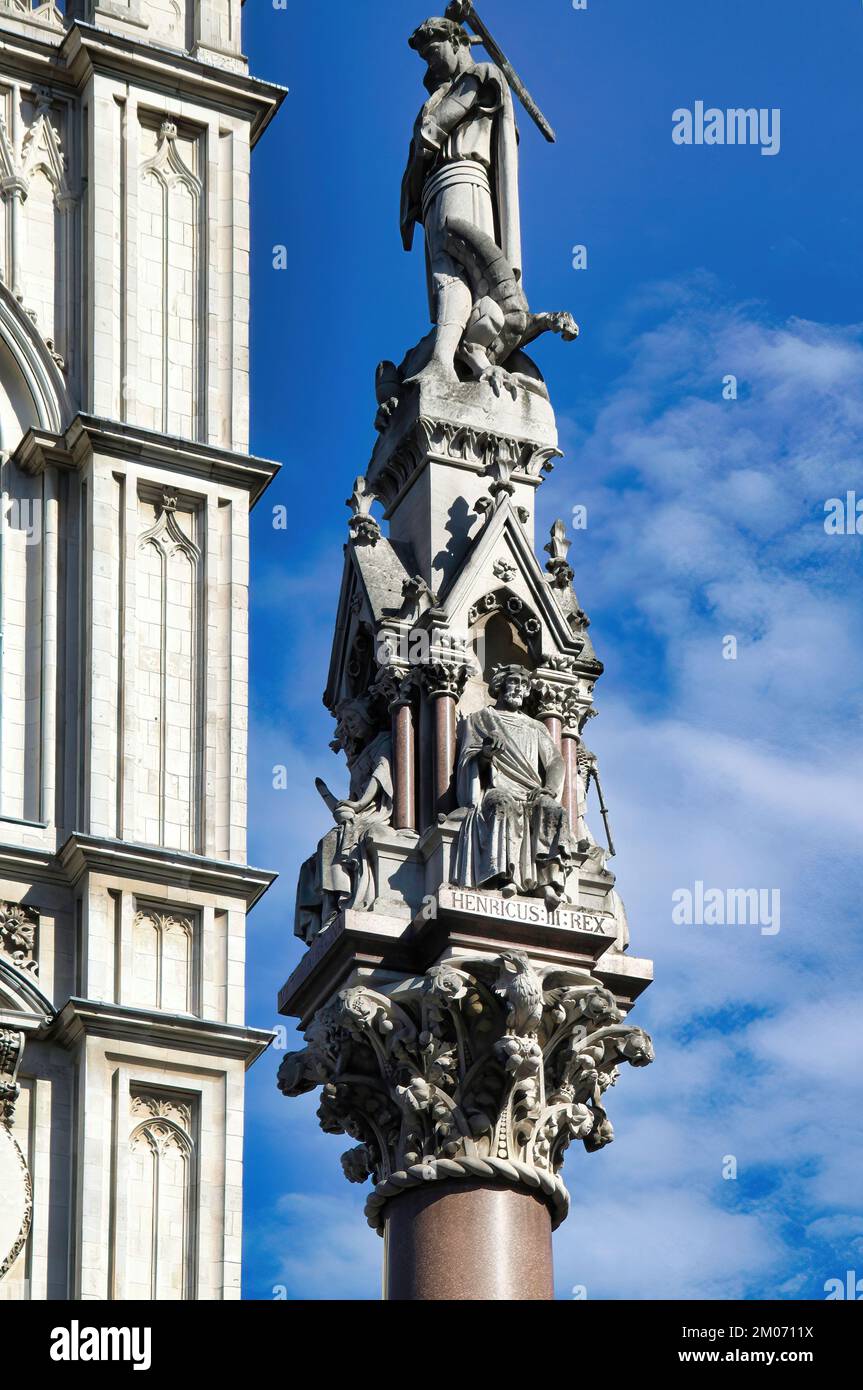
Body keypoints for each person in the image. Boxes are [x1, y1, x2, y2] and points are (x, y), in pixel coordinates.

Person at [453, 665, 575, 909]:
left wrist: (549, 788)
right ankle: (506, 877)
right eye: (514, 681)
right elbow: (468, 759)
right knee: (502, 804)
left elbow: (554, 760)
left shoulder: (536, 726)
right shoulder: (480, 720)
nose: (519, 687)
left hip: (530, 790)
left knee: (551, 808)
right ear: (499, 685)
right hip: (496, 788)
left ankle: (546, 883)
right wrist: (486, 752)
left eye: (523, 683)